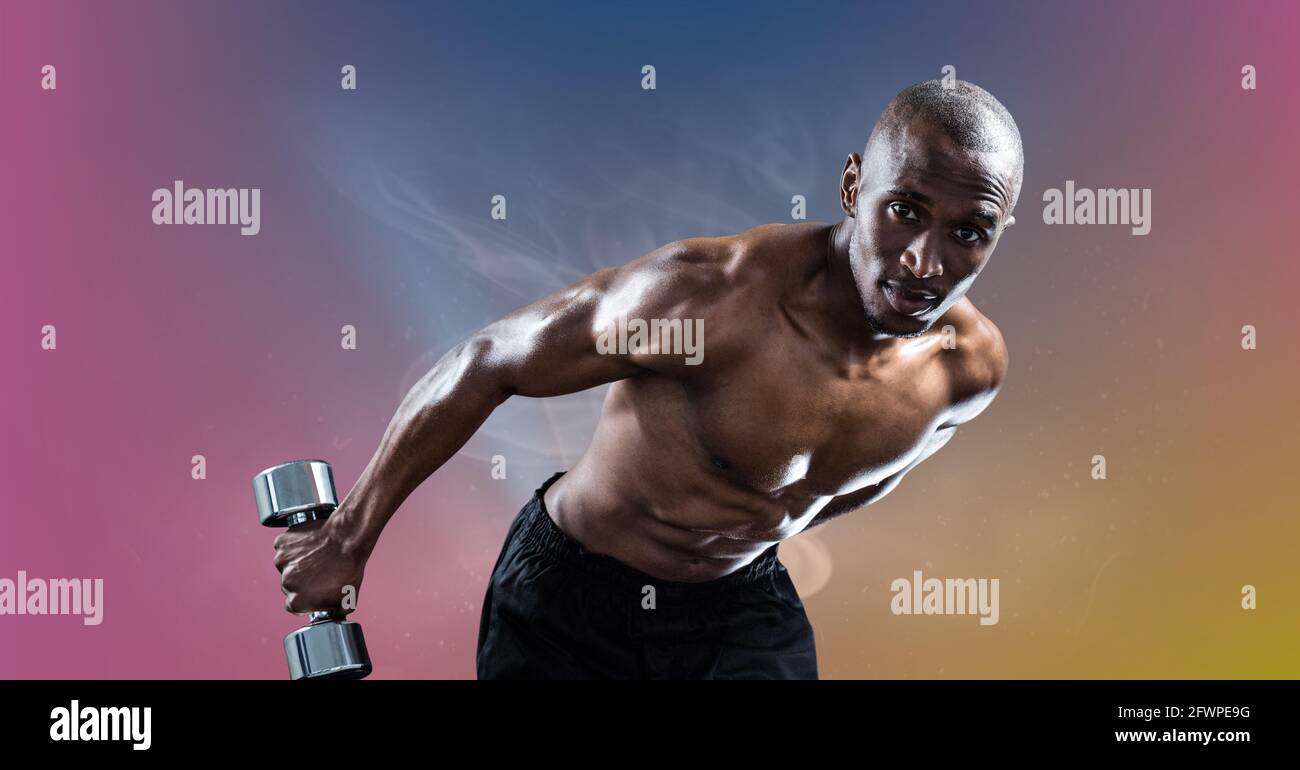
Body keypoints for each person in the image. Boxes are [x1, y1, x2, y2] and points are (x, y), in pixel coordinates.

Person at [272, 79, 1022, 679]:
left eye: (968, 232)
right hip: (572, 603)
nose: (926, 262)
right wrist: (347, 536)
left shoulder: (968, 371)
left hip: (740, 612)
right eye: (904, 210)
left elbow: (852, 482)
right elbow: (488, 361)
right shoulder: (706, 302)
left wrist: (744, 535)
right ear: (855, 188)